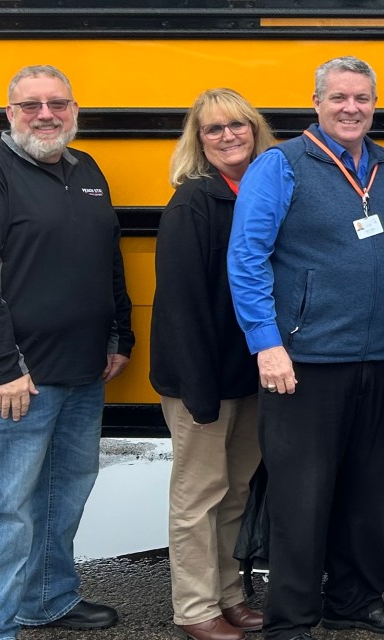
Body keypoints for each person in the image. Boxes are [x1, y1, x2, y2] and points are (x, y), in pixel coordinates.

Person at [228, 56, 384, 640]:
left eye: (362, 99)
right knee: (301, 500)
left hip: (376, 360)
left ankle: (356, 601)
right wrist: (266, 344)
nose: (351, 109)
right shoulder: (282, 166)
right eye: (338, 97)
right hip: (302, 364)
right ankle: (291, 619)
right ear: (316, 103)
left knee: (368, 495)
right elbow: (247, 259)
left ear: (374, 105)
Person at [0, 65, 133, 640]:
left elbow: (106, 257)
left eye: (58, 104)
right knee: (5, 506)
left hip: (81, 369)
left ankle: (46, 597)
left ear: (74, 110)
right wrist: (3, 367)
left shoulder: (86, 170)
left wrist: (118, 335)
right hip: (14, 379)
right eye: (32, 105)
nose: (46, 114)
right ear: (9, 114)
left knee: (63, 493)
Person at [151, 89, 278, 640]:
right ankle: (195, 608)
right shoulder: (194, 204)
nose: (228, 136)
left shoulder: (263, 192)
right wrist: (198, 389)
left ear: (255, 130)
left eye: (237, 125)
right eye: (213, 129)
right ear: (197, 141)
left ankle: (230, 595)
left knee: (236, 493)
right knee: (197, 496)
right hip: (199, 378)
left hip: (248, 374)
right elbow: (180, 304)